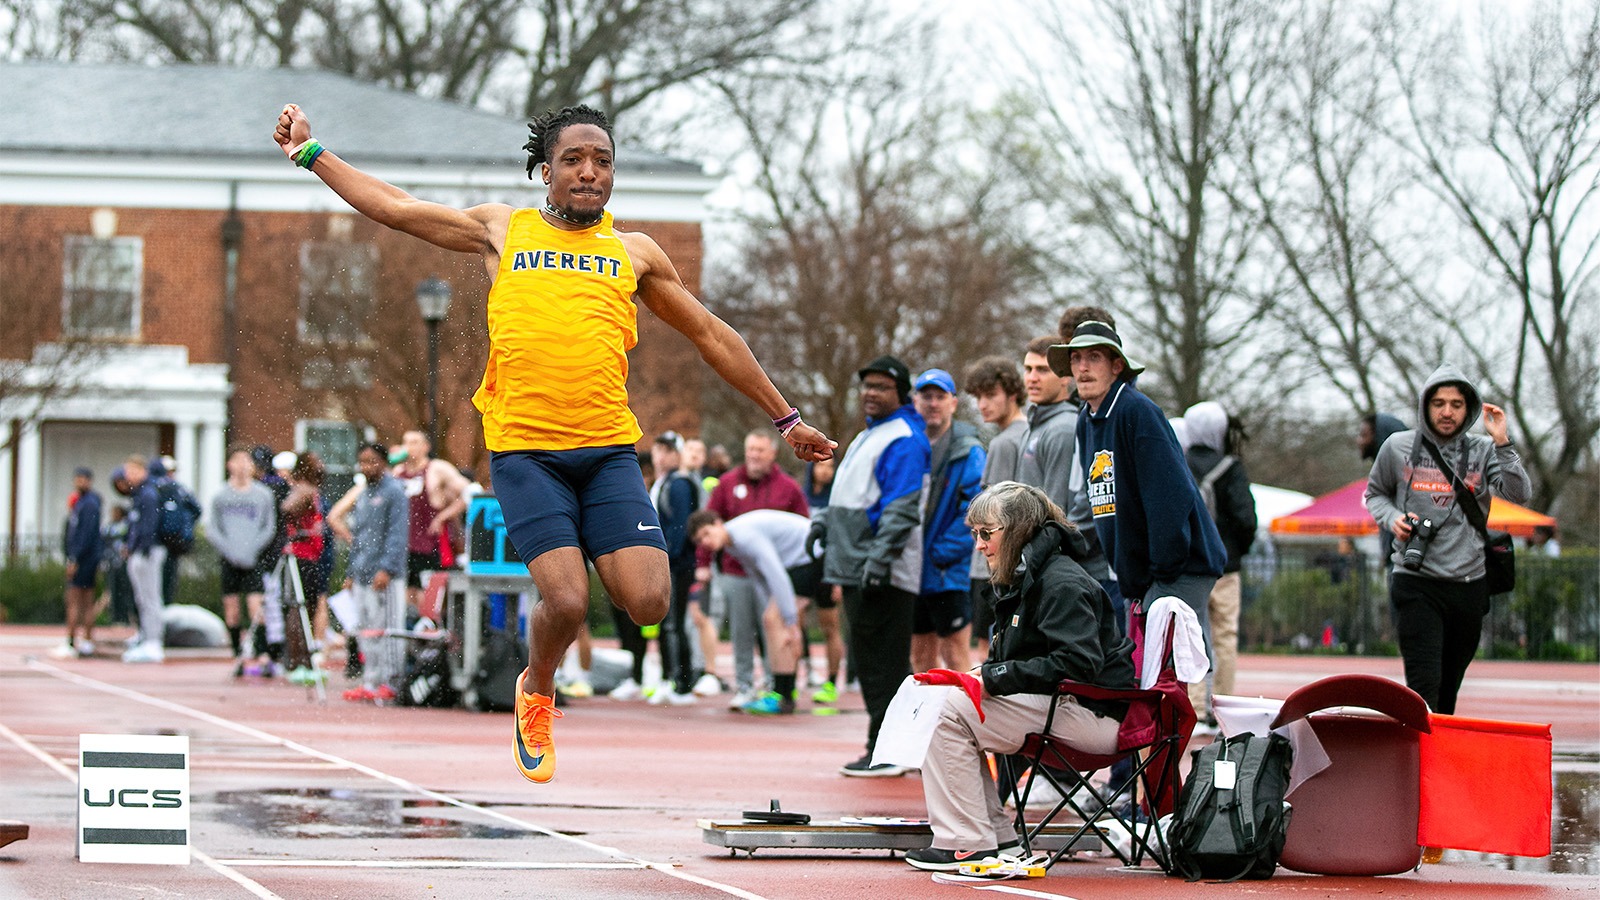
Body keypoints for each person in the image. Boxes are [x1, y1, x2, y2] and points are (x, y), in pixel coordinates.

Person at [274, 101, 833, 784]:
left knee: (651, 602)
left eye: (602, 160)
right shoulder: (503, 229)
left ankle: (592, 571)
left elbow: (711, 335)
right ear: (545, 170)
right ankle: (537, 688)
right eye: (574, 159)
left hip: (605, 454)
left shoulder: (634, 253)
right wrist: (312, 154)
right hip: (527, 452)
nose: (590, 171)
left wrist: (786, 419)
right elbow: (394, 206)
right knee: (566, 601)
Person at [907, 481, 1134, 871]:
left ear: (1017, 531)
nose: (979, 544)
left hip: (1094, 717)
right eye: (975, 533)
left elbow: (1079, 664)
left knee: (944, 710)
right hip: (1069, 707)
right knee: (940, 699)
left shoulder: (1061, 581)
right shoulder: (1031, 576)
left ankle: (968, 841)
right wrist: (987, 675)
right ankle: (992, 835)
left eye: (986, 533)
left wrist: (995, 675)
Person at [1053, 322, 1224, 693]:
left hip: (1179, 567)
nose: (1082, 367)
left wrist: (1159, 572)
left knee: (1165, 680)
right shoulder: (1087, 419)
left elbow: (1170, 497)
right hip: (1141, 576)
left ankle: (1182, 748)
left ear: (1117, 366)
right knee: (1143, 675)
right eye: (1076, 358)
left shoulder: (1136, 412)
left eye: (1094, 357)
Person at [1364, 364, 1530, 714]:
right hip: (1416, 580)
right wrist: (1393, 518)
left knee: (1448, 687)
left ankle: (1435, 757)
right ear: (1426, 405)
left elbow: (1519, 493)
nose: (1446, 412)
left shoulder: (1484, 451)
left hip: (1469, 583)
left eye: (1455, 404)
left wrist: (1502, 441)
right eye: (1438, 403)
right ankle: (1423, 762)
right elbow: (1374, 494)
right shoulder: (1398, 447)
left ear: (1468, 407)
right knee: (1425, 686)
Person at [814, 355, 929, 776]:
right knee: (870, 663)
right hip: (857, 566)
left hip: (879, 573)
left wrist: (878, 562)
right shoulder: (872, 434)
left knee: (883, 665)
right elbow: (855, 495)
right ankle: (886, 745)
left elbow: (900, 510)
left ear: (900, 393)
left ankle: (888, 750)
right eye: (866, 386)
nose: (870, 393)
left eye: (881, 386)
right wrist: (823, 523)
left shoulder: (902, 437)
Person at [697, 430, 811, 708]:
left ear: (772, 453)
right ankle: (747, 685)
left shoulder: (788, 486)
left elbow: (804, 525)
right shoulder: (727, 483)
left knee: (773, 622)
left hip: (779, 570)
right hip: (738, 571)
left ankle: (777, 684)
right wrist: (703, 563)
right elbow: (706, 525)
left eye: (760, 450)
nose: (754, 456)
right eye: (750, 450)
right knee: (743, 629)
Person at [688, 507, 818, 714]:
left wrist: (790, 619)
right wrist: (775, 613)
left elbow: (775, 573)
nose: (706, 542)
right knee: (772, 620)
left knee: (775, 620)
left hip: (813, 556)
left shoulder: (744, 536)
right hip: (801, 560)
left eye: (707, 534)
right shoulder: (732, 546)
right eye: (700, 540)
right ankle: (783, 693)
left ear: (718, 523)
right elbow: (759, 579)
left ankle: (783, 696)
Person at [1182, 401, 1257, 715]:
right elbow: (1246, 518)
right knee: (1225, 635)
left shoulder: (1179, 463)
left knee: (1191, 636)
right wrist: (1238, 550)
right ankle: (1222, 704)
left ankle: (1195, 705)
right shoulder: (1231, 467)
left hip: (1189, 566)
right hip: (1225, 566)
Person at [911, 368, 984, 675]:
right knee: (919, 657)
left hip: (946, 572)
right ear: (915, 401)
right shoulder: (907, 446)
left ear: (953, 402)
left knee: (955, 654)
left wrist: (941, 554)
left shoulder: (969, 451)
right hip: (911, 570)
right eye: (926, 396)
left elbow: (975, 511)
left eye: (940, 396)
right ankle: (926, 722)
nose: (933, 403)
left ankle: (965, 720)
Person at [962, 355, 1028, 644]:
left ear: (1012, 393)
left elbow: (993, 514)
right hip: (1017, 559)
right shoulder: (1024, 435)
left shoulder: (1005, 442)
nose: (982, 405)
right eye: (978, 397)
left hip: (999, 564)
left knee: (989, 650)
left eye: (991, 395)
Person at [341, 443, 410, 703]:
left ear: (383, 462)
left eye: (372, 461)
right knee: (366, 629)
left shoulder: (394, 492)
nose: (367, 466)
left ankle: (392, 681)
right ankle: (370, 680)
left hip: (385, 576)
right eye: (362, 461)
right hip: (361, 572)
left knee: (388, 629)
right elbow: (358, 535)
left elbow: (397, 534)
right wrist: (351, 571)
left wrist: (387, 568)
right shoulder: (362, 494)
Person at [209, 446, 276, 671]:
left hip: (253, 559)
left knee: (256, 606)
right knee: (232, 608)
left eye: (246, 461)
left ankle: (263, 652)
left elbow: (269, 527)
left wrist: (251, 549)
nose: (241, 466)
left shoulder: (262, 494)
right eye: (237, 461)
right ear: (229, 465)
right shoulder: (220, 495)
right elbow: (213, 529)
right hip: (230, 560)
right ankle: (238, 654)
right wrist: (230, 550)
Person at [393, 429, 470, 607]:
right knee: (407, 596)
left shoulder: (437, 468)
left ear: (425, 446)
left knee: (429, 599)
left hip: (430, 543)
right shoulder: (398, 472)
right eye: (406, 442)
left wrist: (443, 517)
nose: (409, 447)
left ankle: (431, 628)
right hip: (405, 545)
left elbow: (469, 492)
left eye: (414, 442)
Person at [280, 453, 328, 683]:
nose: (322, 466)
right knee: (298, 607)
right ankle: (297, 661)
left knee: (308, 606)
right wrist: (302, 529)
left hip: (310, 556)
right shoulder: (305, 489)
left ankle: (304, 660)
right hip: (300, 555)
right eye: (316, 463)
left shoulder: (310, 489)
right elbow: (286, 508)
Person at [800, 455, 844, 697]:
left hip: (828, 568)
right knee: (795, 619)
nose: (825, 471)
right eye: (821, 466)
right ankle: (803, 672)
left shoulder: (836, 498)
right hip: (803, 565)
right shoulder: (801, 495)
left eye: (830, 467)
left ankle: (832, 681)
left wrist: (837, 576)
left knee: (830, 626)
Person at [119, 456, 166, 663]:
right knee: (143, 598)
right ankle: (147, 638)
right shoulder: (139, 494)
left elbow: (148, 525)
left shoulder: (148, 494)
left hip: (148, 552)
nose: (128, 475)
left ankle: (154, 643)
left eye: (131, 470)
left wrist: (140, 548)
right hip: (141, 551)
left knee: (150, 598)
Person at [55, 466, 103, 659]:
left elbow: (85, 535)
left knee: (77, 599)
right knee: (82, 599)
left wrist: (75, 558)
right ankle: (83, 640)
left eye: (83, 479)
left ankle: (74, 640)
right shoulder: (81, 503)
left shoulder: (89, 504)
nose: (79, 482)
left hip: (85, 559)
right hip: (84, 557)